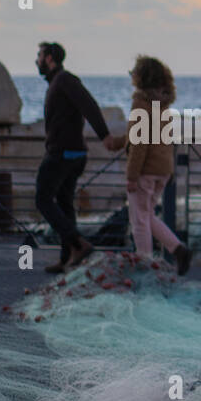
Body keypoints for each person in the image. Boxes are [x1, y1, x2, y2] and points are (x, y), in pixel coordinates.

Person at [35, 42, 121, 273]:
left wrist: (104, 135)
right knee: (64, 202)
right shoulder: (57, 82)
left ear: (50, 58)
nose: (37, 61)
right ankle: (67, 259)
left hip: (63, 153)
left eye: (40, 56)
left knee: (42, 199)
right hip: (72, 153)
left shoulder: (64, 80)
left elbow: (89, 105)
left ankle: (78, 243)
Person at [107, 55, 192, 274]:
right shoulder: (161, 105)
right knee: (147, 215)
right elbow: (152, 136)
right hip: (163, 170)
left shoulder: (141, 104)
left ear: (141, 78)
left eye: (134, 72)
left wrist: (131, 176)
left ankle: (144, 267)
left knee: (138, 221)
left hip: (145, 172)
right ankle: (178, 249)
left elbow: (139, 143)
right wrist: (117, 143)